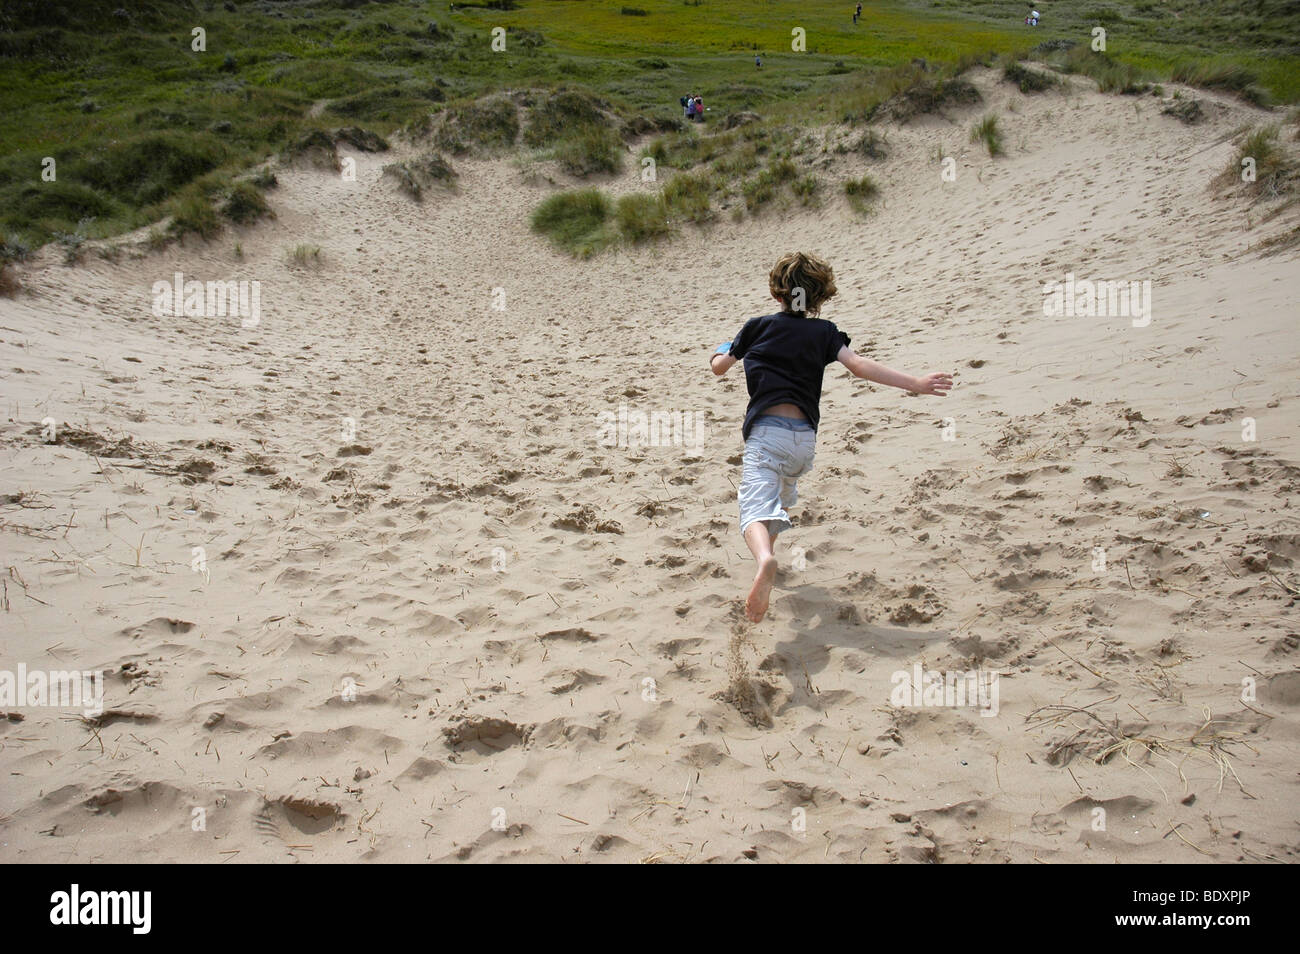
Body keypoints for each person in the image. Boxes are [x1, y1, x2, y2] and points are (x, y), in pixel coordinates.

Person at [710, 252, 953, 623]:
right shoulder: (824, 332)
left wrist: (725, 348)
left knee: (753, 510)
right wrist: (915, 384)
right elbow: (859, 366)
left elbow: (718, 369)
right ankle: (770, 567)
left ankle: (765, 559)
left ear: (778, 293)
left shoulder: (757, 327)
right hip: (804, 441)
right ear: (818, 297)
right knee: (779, 499)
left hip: (766, 435)